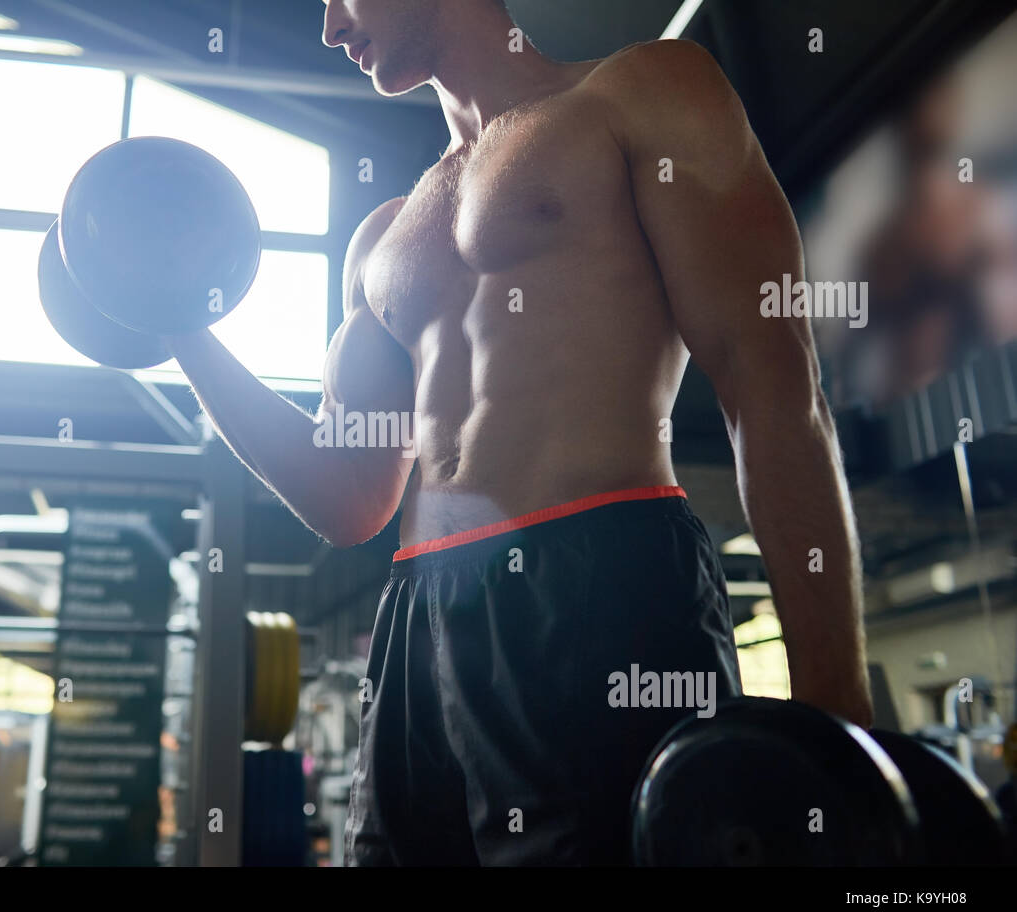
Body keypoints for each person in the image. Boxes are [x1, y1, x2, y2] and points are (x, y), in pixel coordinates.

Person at [163, 0, 874, 864]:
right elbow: (347, 497)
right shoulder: (380, 241)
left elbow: (773, 389)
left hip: (598, 585)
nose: (329, 28)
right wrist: (176, 327)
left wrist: (840, 726)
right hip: (415, 621)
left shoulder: (641, 91)